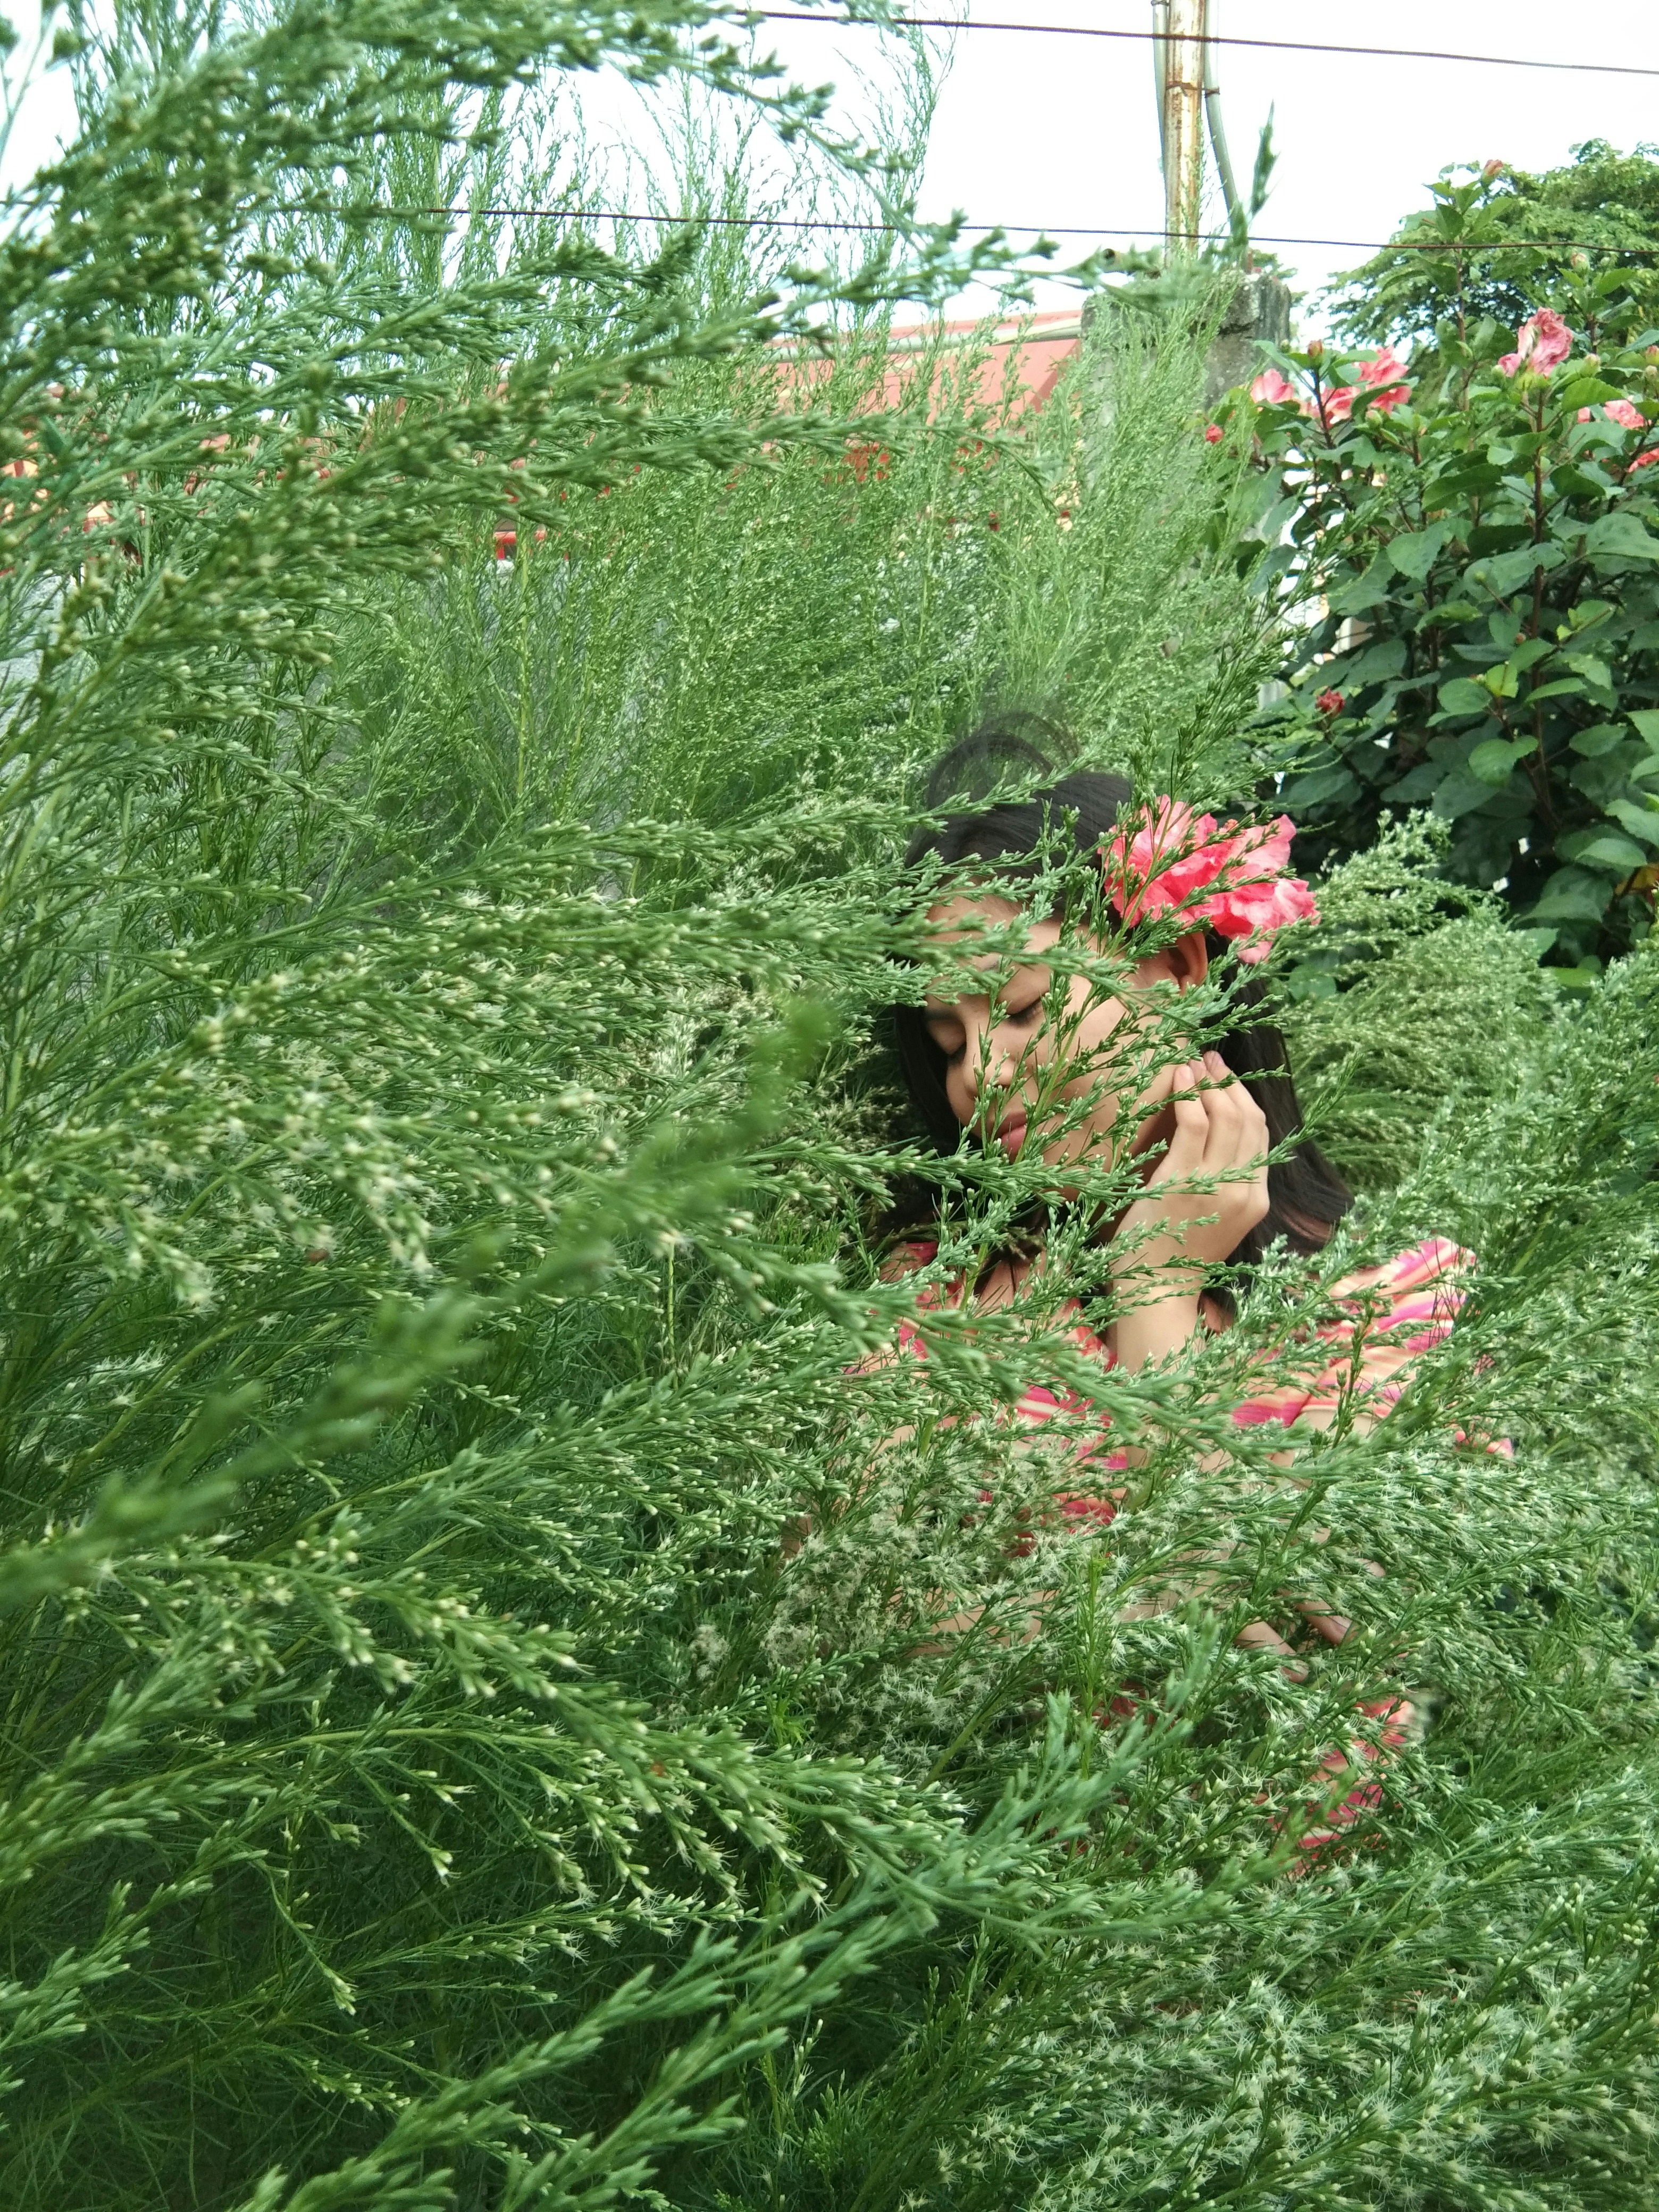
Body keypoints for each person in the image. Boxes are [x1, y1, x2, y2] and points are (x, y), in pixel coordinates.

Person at [875, 723, 1476, 1852]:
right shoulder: (929, 1302)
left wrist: (1155, 1293)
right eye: (946, 1038)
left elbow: (1306, 1732)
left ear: (1176, 970)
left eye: (1011, 1007)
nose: (976, 1074)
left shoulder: (1383, 1307)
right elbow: (872, 1656)